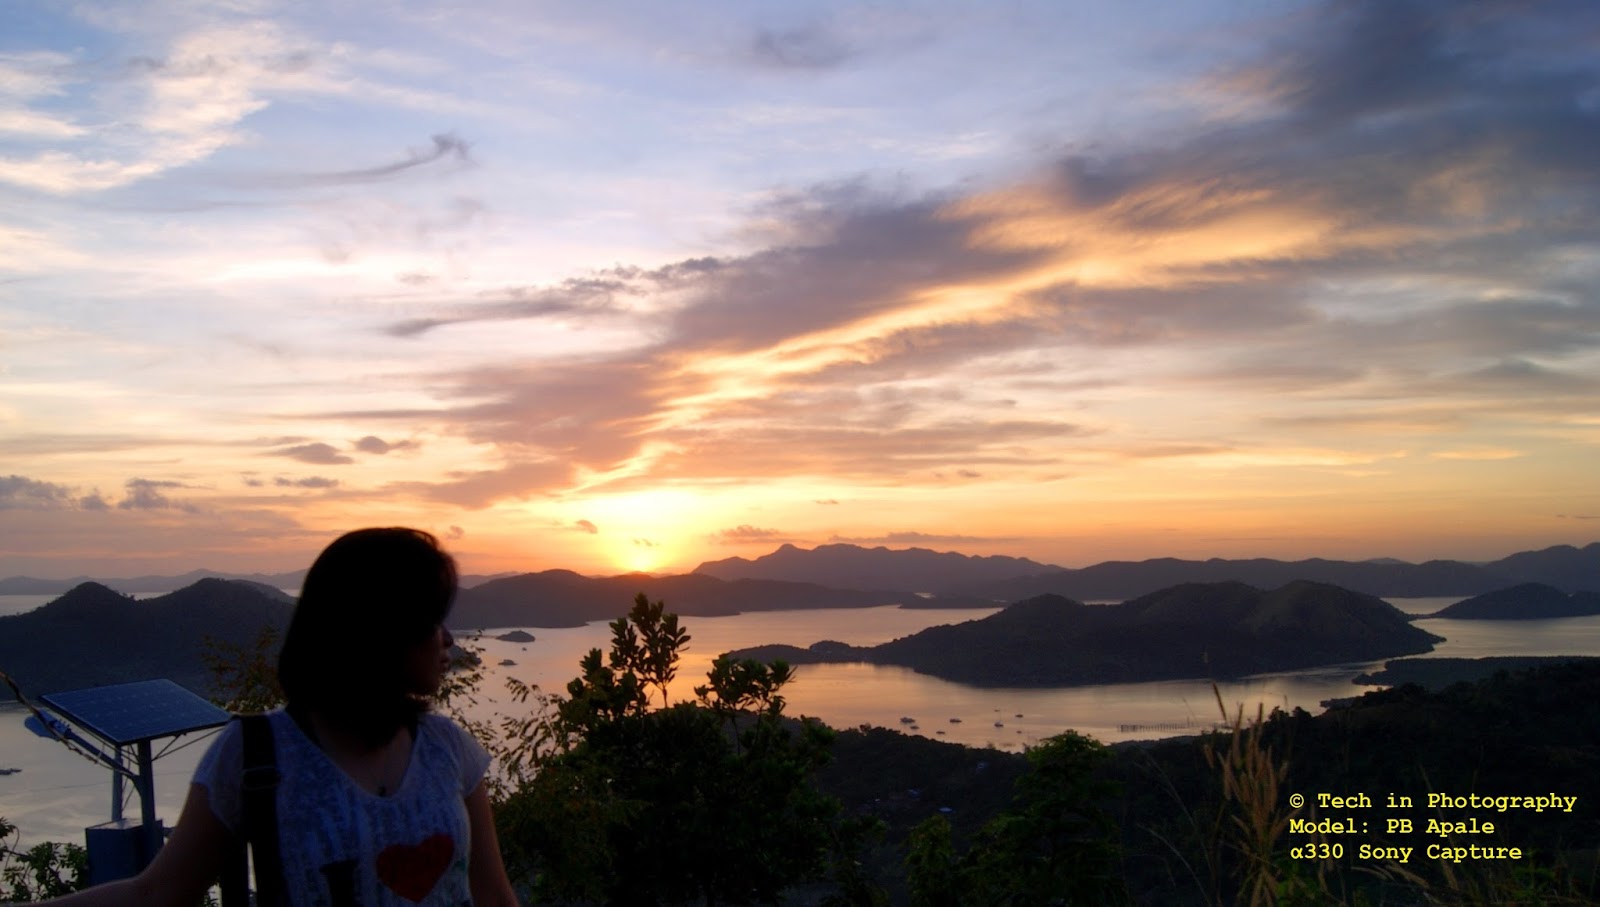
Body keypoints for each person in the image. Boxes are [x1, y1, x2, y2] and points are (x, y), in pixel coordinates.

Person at [24, 527, 520, 906]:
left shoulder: (449, 748)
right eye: (432, 621)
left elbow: (494, 898)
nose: (449, 639)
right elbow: (158, 895)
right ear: (384, 632)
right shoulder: (255, 753)